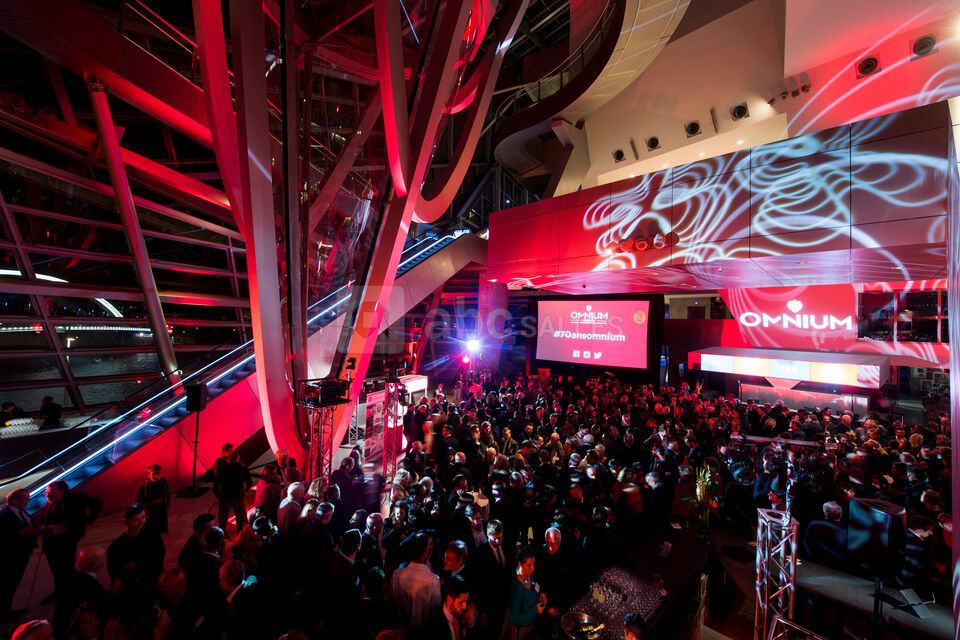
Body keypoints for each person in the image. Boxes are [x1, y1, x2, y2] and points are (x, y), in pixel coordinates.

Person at [37, 481, 102, 603]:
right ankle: (60, 590)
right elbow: (44, 520)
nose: (47, 495)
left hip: (67, 539)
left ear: (61, 490)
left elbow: (97, 503)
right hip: (51, 541)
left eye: (50, 492)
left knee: (66, 566)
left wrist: (86, 521)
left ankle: (81, 588)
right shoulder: (49, 504)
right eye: (46, 493)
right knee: (56, 568)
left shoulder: (75, 498)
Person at [387, 532, 440, 633]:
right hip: (422, 633)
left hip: (399, 631)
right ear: (425, 552)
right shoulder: (433, 580)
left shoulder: (397, 574)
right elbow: (436, 611)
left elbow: (390, 602)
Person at [0, 488, 39, 621]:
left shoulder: (21, 512)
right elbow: (5, 535)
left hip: (23, 553)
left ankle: (6, 609)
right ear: (14, 500)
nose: (28, 500)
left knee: (13, 582)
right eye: (25, 498)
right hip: (12, 556)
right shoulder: (4, 515)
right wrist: (20, 533)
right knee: (8, 583)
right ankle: (4, 612)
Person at [507, 546, 545, 640]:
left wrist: (542, 593)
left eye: (534, 564)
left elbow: (536, 586)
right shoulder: (517, 588)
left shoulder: (529, 575)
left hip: (531, 625)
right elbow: (514, 618)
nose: (533, 568)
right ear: (520, 563)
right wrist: (536, 610)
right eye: (529, 565)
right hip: (520, 630)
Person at [213, 449, 251, 533]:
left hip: (225, 499)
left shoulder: (222, 471)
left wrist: (220, 497)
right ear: (238, 458)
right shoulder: (243, 469)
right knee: (240, 519)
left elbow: (215, 489)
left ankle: (221, 533)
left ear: (228, 459)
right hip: (238, 498)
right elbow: (249, 483)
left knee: (222, 518)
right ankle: (239, 535)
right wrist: (245, 492)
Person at [425, 575, 473, 640]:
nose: (465, 607)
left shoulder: (466, 615)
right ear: (449, 599)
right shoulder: (434, 623)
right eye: (461, 602)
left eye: (466, 601)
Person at [135, 464, 171, 534]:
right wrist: (152, 502)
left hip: (161, 513)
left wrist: (167, 505)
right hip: (151, 514)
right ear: (149, 474)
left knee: (160, 530)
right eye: (154, 474)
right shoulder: (144, 487)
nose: (156, 476)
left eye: (158, 473)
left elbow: (167, 494)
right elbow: (140, 501)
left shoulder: (163, 482)